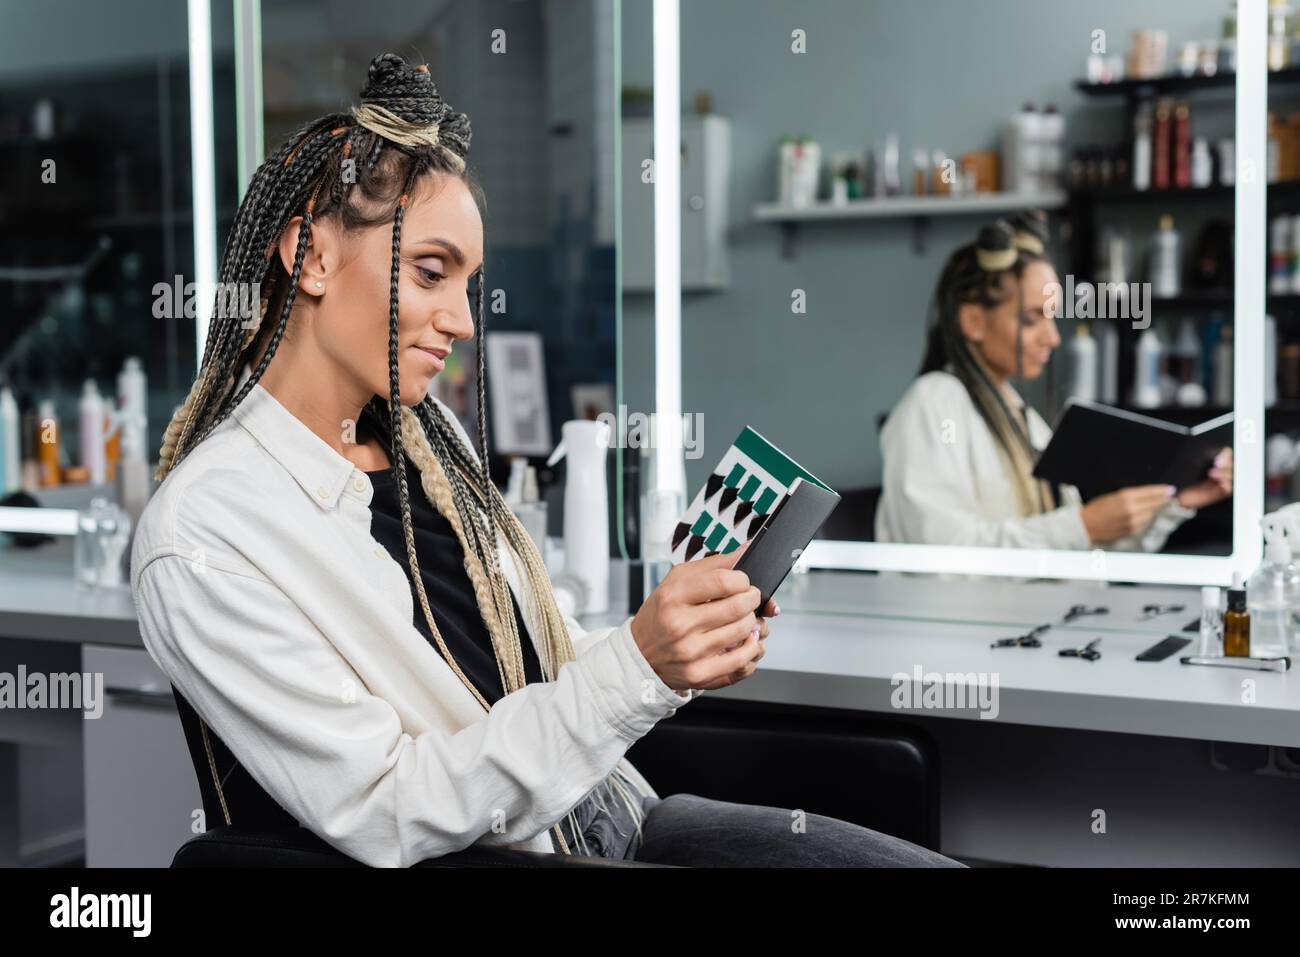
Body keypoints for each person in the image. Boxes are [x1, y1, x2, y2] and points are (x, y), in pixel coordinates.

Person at [130, 53, 961, 868]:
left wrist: (672, 648)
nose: (460, 319)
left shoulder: (430, 441)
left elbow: (546, 664)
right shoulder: (206, 532)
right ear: (309, 255)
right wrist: (639, 666)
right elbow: (387, 808)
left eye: (468, 282)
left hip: (618, 814)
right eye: (431, 272)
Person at [875, 213, 1232, 550]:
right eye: (1033, 318)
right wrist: (1083, 525)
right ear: (973, 320)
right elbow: (941, 553)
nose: (1053, 338)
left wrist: (1180, 503)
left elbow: (1079, 553)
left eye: (1052, 318)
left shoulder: (1025, 422)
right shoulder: (934, 403)